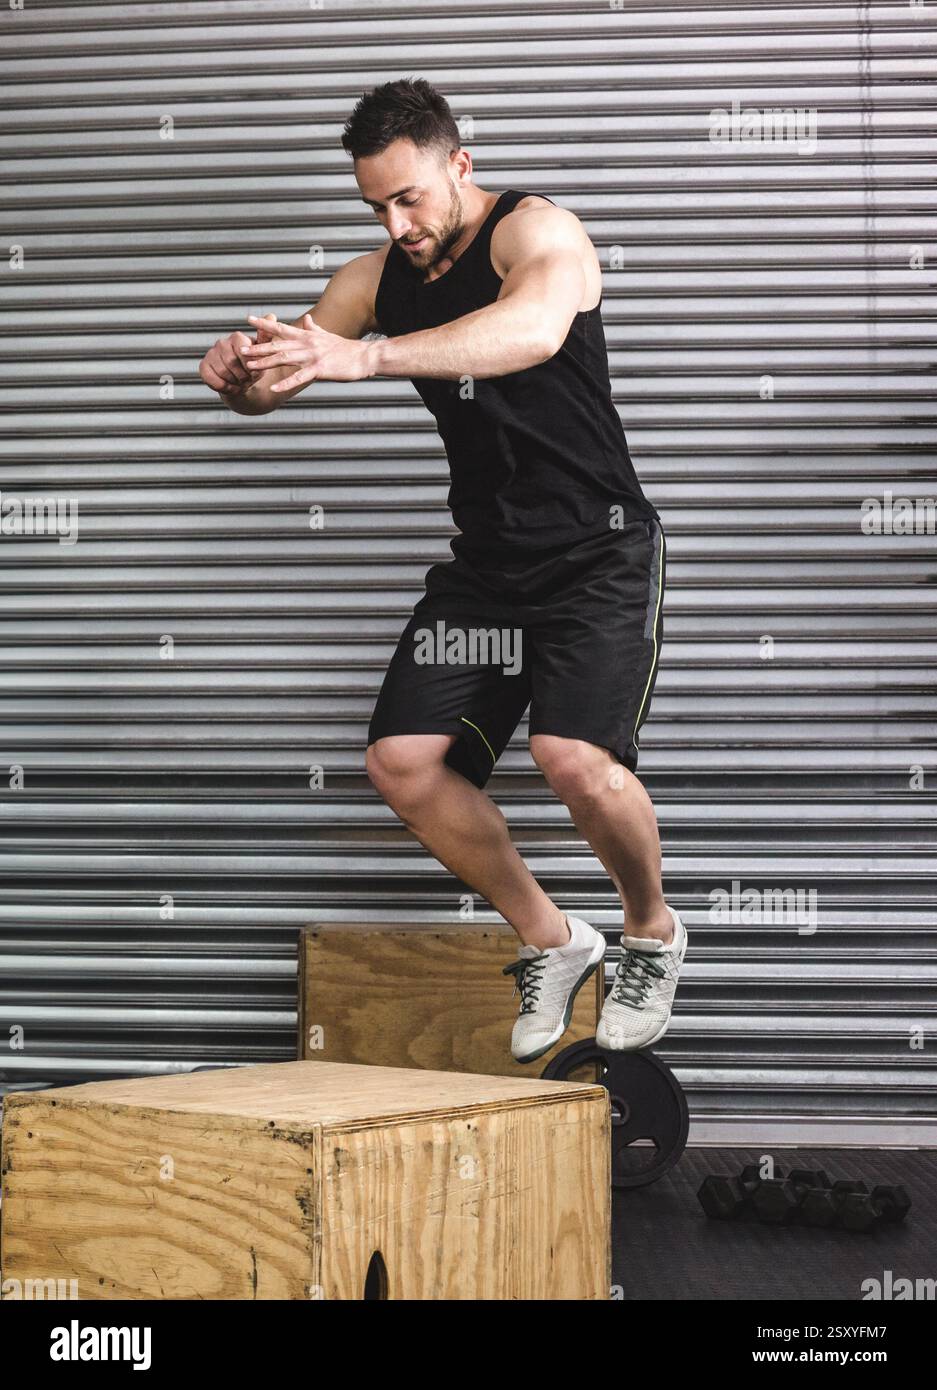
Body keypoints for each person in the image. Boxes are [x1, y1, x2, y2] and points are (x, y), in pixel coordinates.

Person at [198, 78, 687, 1064]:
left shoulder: (535, 231)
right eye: (376, 204)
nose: (397, 222)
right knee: (405, 763)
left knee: (575, 761)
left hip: (597, 549)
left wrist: (369, 360)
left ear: (459, 164)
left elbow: (532, 331)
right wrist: (241, 379)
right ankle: (554, 938)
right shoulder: (377, 275)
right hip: (489, 567)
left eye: (410, 196)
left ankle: (649, 928)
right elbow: (292, 367)